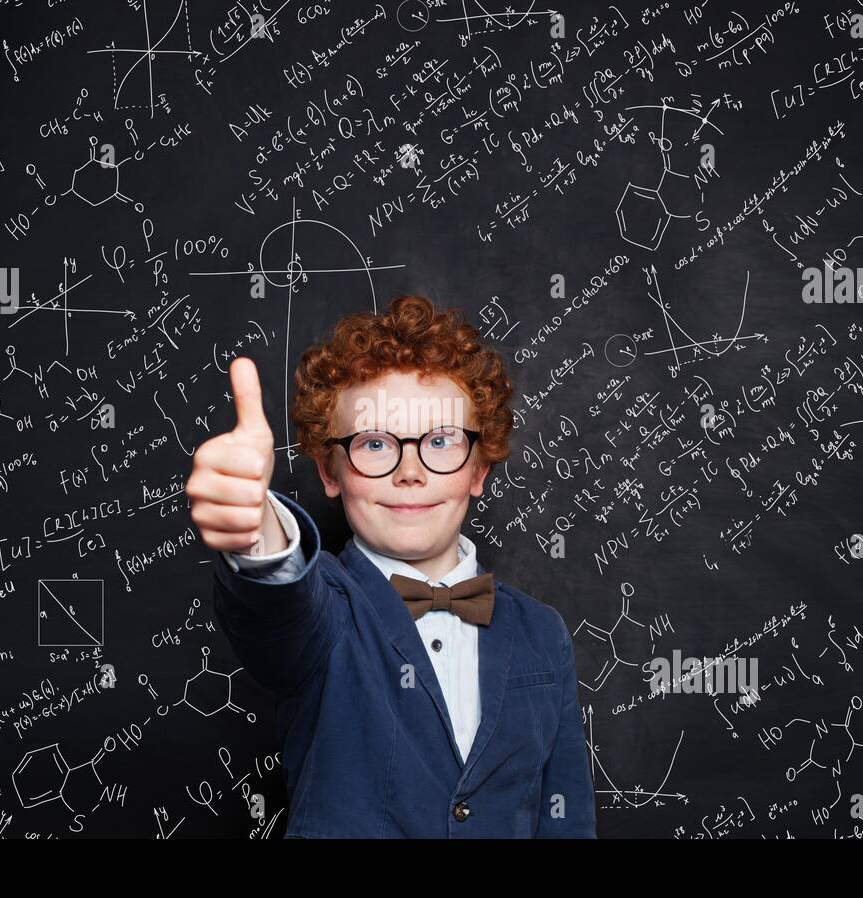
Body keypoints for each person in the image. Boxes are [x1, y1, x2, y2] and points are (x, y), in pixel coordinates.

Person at [186, 294, 596, 838]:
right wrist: (254, 524)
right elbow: (277, 601)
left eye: (441, 441)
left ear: (479, 469)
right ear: (331, 473)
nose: (409, 471)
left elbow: (567, 824)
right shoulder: (326, 611)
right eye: (375, 444)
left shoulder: (543, 633)